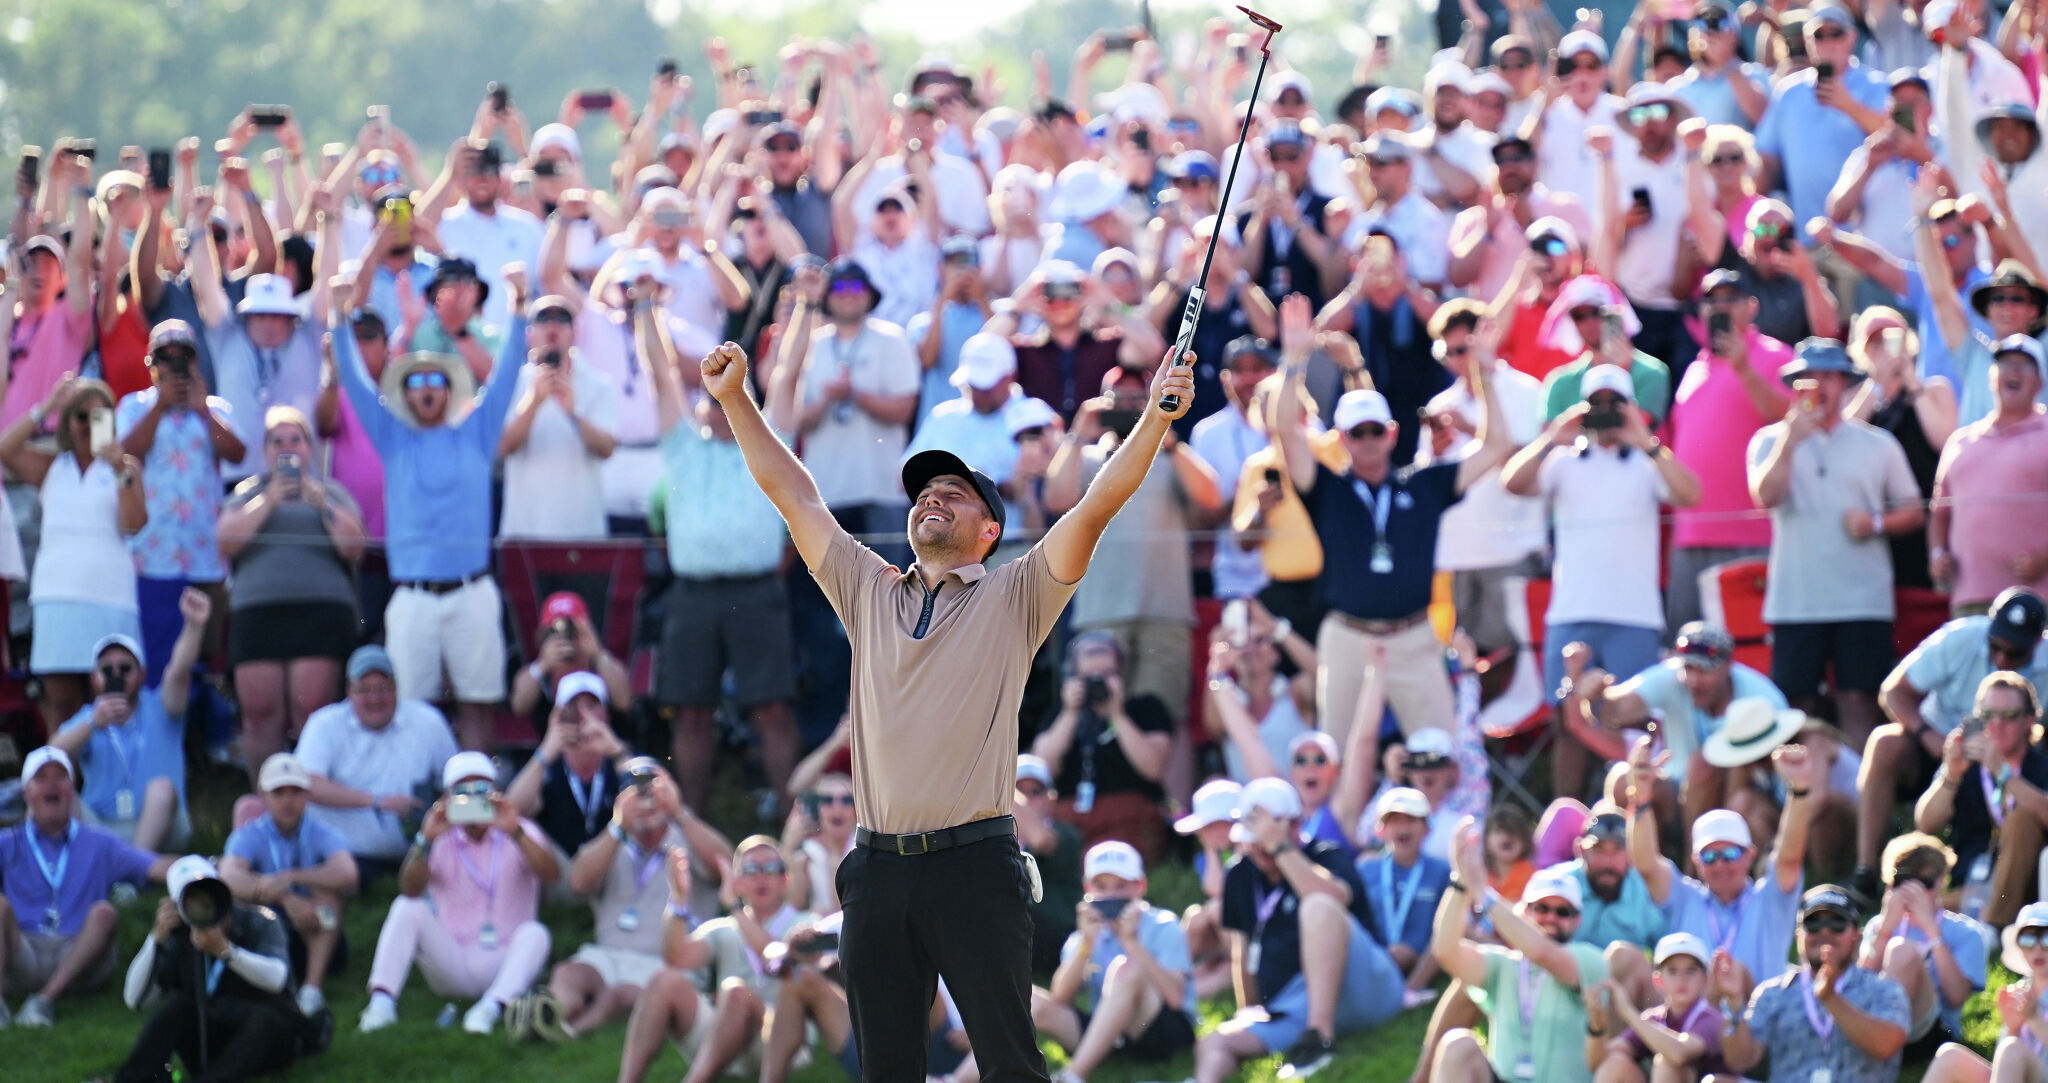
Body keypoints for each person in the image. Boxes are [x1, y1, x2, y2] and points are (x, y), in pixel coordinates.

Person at [699, 277, 1196, 1081]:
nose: (932, 497)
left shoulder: (1017, 590)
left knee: (1010, 1065)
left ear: (988, 530)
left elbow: (1097, 504)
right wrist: (736, 399)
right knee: (887, 1070)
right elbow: (793, 493)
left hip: (976, 864)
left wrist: (1157, 417)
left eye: (954, 493)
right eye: (925, 491)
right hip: (876, 866)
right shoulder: (867, 587)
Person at [1269, 294, 1514, 747]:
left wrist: (1482, 374)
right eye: (1357, 433)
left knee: (1441, 754)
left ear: (1392, 433)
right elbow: (1285, 430)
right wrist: (1294, 360)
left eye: (1374, 430)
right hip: (1347, 637)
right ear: (1341, 439)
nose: (1367, 441)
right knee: (1338, 759)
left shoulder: (1423, 485)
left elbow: (1496, 446)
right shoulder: (1328, 489)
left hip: (1414, 637)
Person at [331, 287, 529, 751]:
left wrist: (519, 309)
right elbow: (355, 382)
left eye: (433, 381)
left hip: (472, 591)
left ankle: (481, 799)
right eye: (414, 382)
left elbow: (504, 376)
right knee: (411, 711)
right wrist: (339, 319)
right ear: (404, 391)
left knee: (479, 706)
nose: (424, 389)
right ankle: (418, 809)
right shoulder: (393, 438)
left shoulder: (478, 431)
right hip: (413, 598)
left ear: (448, 388)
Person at [1747, 337, 1924, 746]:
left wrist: (1876, 522)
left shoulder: (1878, 444)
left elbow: (1914, 511)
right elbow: (1765, 497)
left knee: (1860, 699)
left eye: (1829, 375)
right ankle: (1799, 796)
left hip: (1862, 600)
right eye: (1809, 377)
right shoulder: (1769, 441)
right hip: (1796, 601)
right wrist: (1792, 440)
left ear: (1845, 382)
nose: (1820, 386)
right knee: (1796, 704)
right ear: (1795, 384)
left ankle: (1864, 799)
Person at [1193, 778, 1404, 1082]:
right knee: (1213, 1042)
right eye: (1254, 840)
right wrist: (1248, 1009)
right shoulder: (1240, 873)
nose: (1258, 848)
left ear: (1294, 827)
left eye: (1264, 839)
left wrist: (1280, 848)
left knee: (1316, 906)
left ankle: (1319, 1039)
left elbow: (1334, 898)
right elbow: (1243, 952)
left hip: (1363, 985)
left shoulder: (1326, 854)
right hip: (1294, 1004)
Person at [1856, 588, 2048, 897]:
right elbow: (1892, 692)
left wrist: (2005, 770)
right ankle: (1865, 871)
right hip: (1939, 742)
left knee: (2023, 821)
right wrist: (1933, 742)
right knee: (1884, 742)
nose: (2001, 658)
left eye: (2014, 653)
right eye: (1995, 646)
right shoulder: (1961, 638)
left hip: (2015, 761)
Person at [358, 751, 558, 1035]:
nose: (474, 799)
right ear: (449, 797)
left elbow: (550, 876)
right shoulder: (439, 837)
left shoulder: (520, 829)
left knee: (536, 934)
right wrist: (425, 839)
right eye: (463, 792)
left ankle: (491, 1008)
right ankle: (381, 1005)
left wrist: (513, 831)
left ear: (495, 793)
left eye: (482, 790)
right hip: (453, 959)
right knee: (406, 906)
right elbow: (410, 888)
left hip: (507, 958)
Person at [218, 407, 366, 786]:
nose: (287, 448)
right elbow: (226, 542)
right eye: (277, 441)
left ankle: (315, 802)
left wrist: (322, 506)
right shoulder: (247, 492)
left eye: (295, 439)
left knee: (312, 711)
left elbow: (354, 547)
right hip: (258, 613)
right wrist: (269, 500)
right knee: (259, 713)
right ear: (266, 451)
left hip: (319, 613)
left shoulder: (331, 492)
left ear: (309, 448)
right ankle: (266, 804)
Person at [0, 375, 147, 733]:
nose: (88, 425)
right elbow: (5, 449)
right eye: (80, 416)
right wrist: (46, 406)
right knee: (62, 705)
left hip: (110, 599)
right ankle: (67, 783)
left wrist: (118, 471)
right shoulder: (52, 466)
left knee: (113, 705)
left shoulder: (126, 468)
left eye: (98, 417)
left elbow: (133, 525)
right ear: (67, 421)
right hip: (58, 598)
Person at [525, 760, 709, 1042]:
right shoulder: (612, 842)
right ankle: (549, 1014)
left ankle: (565, 1034)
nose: (647, 801)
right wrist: (617, 826)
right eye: (636, 793)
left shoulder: (689, 837)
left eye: (655, 790)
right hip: (608, 956)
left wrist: (680, 814)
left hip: (665, 963)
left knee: (619, 996)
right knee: (568, 973)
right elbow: (578, 883)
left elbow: (725, 867)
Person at [613, 835, 814, 1083]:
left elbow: (772, 955)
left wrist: (735, 908)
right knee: (664, 981)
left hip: (783, 1043)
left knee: (736, 992)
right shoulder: (724, 928)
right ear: (738, 882)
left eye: (771, 868)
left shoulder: (805, 923)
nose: (761, 876)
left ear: (786, 879)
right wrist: (679, 898)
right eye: (751, 870)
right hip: (725, 1041)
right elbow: (676, 957)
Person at [1627, 737, 1815, 1000]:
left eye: (1729, 854)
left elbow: (1789, 856)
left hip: (1757, 1026)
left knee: (1733, 973)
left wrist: (1800, 788)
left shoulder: (1770, 900)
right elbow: (1646, 864)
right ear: (1696, 862)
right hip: (1692, 1026)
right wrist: (1641, 798)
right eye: (1710, 856)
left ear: (1750, 856)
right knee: (1623, 957)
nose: (1720, 864)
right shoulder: (1685, 899)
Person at [0, 747, 173, 1029]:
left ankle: (43, 1002)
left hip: (80, 955)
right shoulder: (9, 842)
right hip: (25, 952)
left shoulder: (99, 842)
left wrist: (206, 868)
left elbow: (154, 867)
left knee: (104, 913)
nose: (52, 784)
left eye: (60, 776)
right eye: (41, 778)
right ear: (26, 793)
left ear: (72, 789)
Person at [1429, 824, 1615, 1083]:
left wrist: (1482, 892)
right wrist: (1461, 881)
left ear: (1577, 921)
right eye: (1542, 908)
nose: (1551, 917)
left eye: (1563, 912)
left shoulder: (1590, 960)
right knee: (1457, 1046)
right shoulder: (1504, 965)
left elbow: (1541, 952)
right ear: (1524, 912)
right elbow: (1446, 951)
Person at [114, 320, 245, 686]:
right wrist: (160, 406)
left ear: (196, 360)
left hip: (206, 559)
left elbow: (237, 452)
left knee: (206, 664)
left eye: (182, 357)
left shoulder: (214, 408)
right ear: (150, 364)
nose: (174, 365)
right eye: (164, 358)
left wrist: (203, 411)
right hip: (152, 559)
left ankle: (206, 738)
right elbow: (126, 453)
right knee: (159, 660)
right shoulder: (135, 406)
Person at [112, 857, 306, 1083]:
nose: (204, 905)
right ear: (178, 906)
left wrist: (225, 951)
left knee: (263, 1018)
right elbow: (135, 1000)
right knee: (176, 1005)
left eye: (209, 893)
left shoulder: (258, 920)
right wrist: (155, 939)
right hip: (210, 1031)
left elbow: (277, 979)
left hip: (268, 1034)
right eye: (192, 900)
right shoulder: (177, 937)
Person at [50, 591, 211, 851]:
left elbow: (178, 671)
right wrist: (93, 723)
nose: (117, 675)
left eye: (125, 669)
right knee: (55, 787)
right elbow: (51, 752)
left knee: (161, 789)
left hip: (162, 826)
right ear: (94, 678)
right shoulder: (89, 715)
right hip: (101, 827)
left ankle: (134, 872)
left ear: (141, 675)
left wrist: (194, 625)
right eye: (107, 670)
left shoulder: (159, 705)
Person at [1031, 842, 1196, 1083]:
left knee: (1126, 969)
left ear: (1140, 886)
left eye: (1121, 886)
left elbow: (1176, 998)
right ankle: (962, 1079)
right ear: (1088, 888)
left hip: (1162, 1031)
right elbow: (1060, 999)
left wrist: (1132, 944)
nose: (1111, 896)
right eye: (1101, 886)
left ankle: (1072, 1076)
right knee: (1031, 998)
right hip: (1108, 1034)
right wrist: (1086, 944)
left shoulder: (1163, 925)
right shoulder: (1084, 933)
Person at [1714, 884, 1911, 1082]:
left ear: (1856, 936)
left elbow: (1886, 1045)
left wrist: (1831, 999)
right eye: (1813, 923)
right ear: (1798, 936)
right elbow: (1741, 1060)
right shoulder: (1772, 993)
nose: (1824, 931)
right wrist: (1734, 1004)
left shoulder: (1882, 990)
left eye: (1837, 923)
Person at [295, 645, 459, 879]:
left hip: (419, 852)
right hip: (340, 856)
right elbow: (307, 784)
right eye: (364, 690)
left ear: (397, 688)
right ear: (349, 691)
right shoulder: (324, 724)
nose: (375, 698)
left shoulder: (428, 722)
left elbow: (456, 782)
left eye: (384, 688)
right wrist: (377, 802)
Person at [219, 753, 360, 1017]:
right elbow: (229, 876)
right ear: (263, 796)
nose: (288, 801)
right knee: (238, 897)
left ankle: (312, 990)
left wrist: (292, 877)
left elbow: (347, 872)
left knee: (327, 898)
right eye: (279, 792)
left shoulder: (320, 831)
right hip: (268, 923)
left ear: (306, 795)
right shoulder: (250, 834)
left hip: (313, 927)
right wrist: (286, 897)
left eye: (295, 792)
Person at [1912, 671, 2048, 927]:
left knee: (2021, 821)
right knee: (1917, 906)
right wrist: (1951, 775)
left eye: (2008, 716)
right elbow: (1925, 822)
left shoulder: (2041, 766)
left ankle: (1989, 929)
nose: (1996, 724)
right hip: (1973, 885)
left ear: (2029, 720)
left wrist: (2004, 773)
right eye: (1987, 715)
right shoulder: (1966, 766)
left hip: (2028, 889)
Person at [1031, 631, 1176, 862]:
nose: (1097, 683)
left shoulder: (1145, 708)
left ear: (1122, 674)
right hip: (1073, 821)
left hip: (1132, 818)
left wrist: (1117, 715)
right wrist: (1070, 714)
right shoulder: (1061, 714)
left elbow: (1153, 768)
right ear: (1074, 677)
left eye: (1107, 674)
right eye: (1089, 677)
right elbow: (1041, 768)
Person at [1928, 334, 2048, 612]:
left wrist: (2044, 559)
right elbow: (1939, 512)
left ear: (2040, 383)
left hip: (2035, 600)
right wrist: (1937, 554)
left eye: (2024, 366)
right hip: (1969, 599)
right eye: (2005, 365)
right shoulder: (1960, 441)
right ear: (1991, 378)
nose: (2013, 372)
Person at [496, 293, 619, 540]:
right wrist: (533, 403)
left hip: (583, 536)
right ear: (529, 334)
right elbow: (502, 448)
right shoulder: (510, 384)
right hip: (524, 534)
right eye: (543, 320)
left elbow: (606, 449)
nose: (552, 327)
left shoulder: (599, 385)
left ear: (575, 333)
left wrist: (573, 413)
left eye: (562, 320)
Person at [1859, 833, 1989, 1055]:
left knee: (1902, 951)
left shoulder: (1966, 932)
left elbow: (1956, 998)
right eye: (1903, 882)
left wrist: (1932, 932)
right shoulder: (1878, 926)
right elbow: (1859, 984)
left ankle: (1868, 1046)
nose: (1913, 892)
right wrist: (1885, 930)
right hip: (1877, 1023)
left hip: (1934, 1031)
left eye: (1923, 884)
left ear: (1940, 881)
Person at [1917, 899, 2048, 1083]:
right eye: (2027, 939)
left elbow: (2014, 1052)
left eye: (2046, 938)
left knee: (2013, 1048)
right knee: (1950, 1056)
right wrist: (2012, 1027)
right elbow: (2003, 1065)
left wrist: (2033, 1018)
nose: (2038, 948)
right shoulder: (2021, 992)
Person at [1590, 931, 1728, 1083]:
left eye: (1691, 971)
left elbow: (1679, 1054)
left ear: (1705, 980)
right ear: (1658, 980)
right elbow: (1599, 1062)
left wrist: (1628, 1012)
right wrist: (1596, 1024)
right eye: (1672, 971)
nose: (1681, 979)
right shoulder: (1653, 1018)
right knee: (1615, 1064)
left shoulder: (1711, 1018)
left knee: (1667, 1064)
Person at [1356, 787, 1452, 1002]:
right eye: (1394, 820)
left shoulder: (1441, 871)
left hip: (1422, 957)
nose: (1403, 827)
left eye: (1411, 820)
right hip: (1375, 957)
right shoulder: (1365, 870)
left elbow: (1450, 921)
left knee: (1452, 927)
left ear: (1427, 828)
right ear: (1380, 830)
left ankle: (1411, 989)